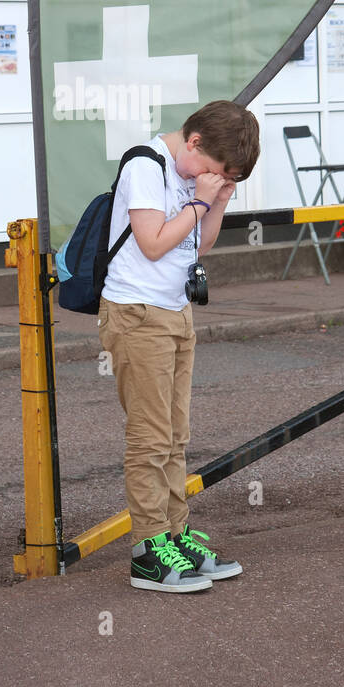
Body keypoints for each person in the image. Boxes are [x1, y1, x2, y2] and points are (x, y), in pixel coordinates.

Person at [97, 100, 261, 592]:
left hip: (174, 310)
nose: (207, 179)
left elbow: (199, 245)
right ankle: (148, 552)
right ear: (193, 143)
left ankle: (176, 534)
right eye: (211, 170)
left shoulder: (194, 176)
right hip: (136, 313)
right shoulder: (146, 165)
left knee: (175, 434)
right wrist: (197, 202)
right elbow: (152, 242)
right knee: (149, 437)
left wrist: (220, 200)